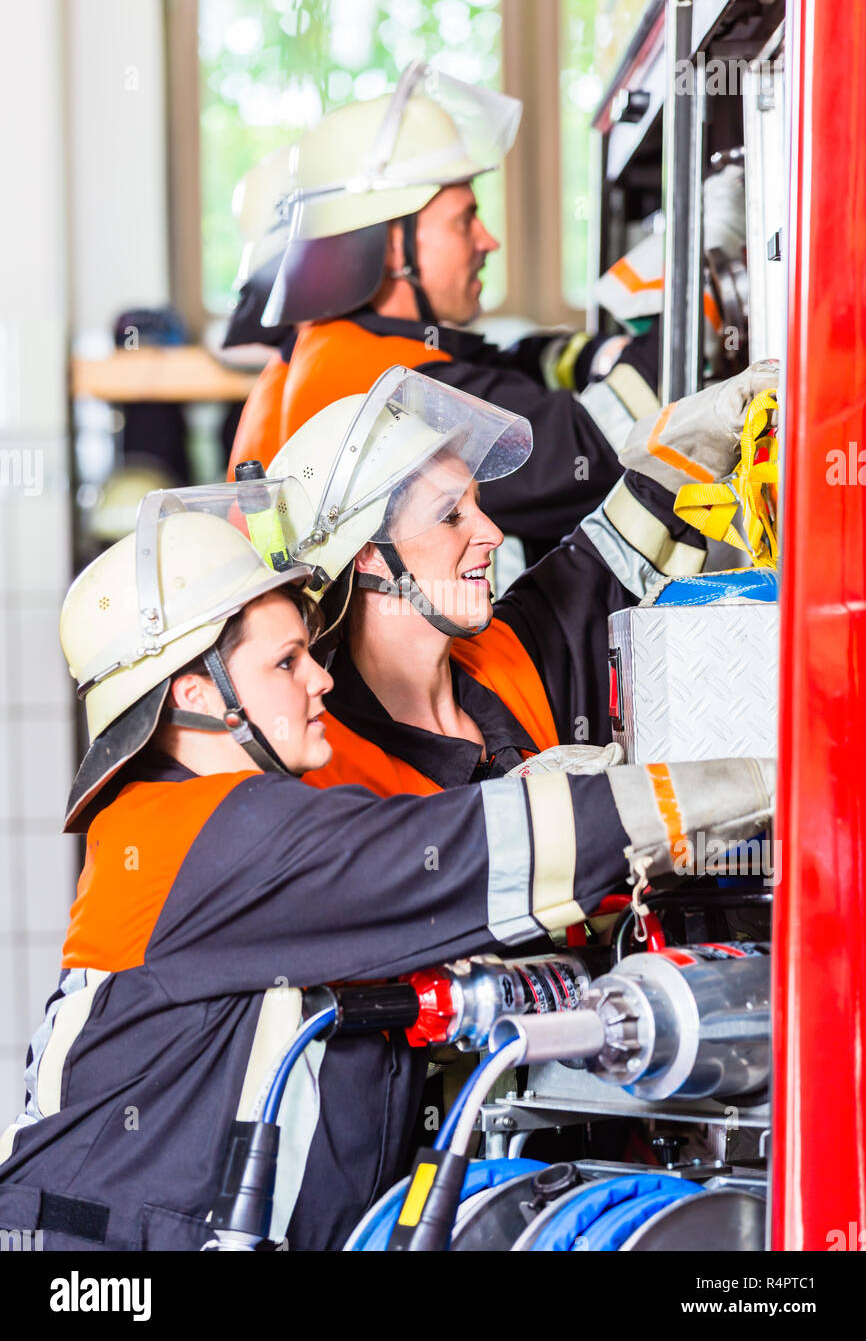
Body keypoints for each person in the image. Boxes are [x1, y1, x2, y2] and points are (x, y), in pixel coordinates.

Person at [0, 481, 775, 1252]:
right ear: (199, 693)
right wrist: (762, 782)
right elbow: (471, 858)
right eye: (287, 662)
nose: (321, 680)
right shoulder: (208, 834)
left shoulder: (198, 822)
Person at [263, 360, 778, 797]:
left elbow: (608, 559)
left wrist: (696, 440)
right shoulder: (325, 769)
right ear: (370, 556)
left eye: (478, 507)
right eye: (449, 515)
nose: (493, 533)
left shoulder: (507, 656)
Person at [225, 61, 662, 568]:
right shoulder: (392, 394)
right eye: (464, 219)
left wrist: (597, 354)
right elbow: (590, 450)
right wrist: (703, 309)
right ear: (392, 246)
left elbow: (497, 368)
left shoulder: (331, 351)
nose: (488, 240)